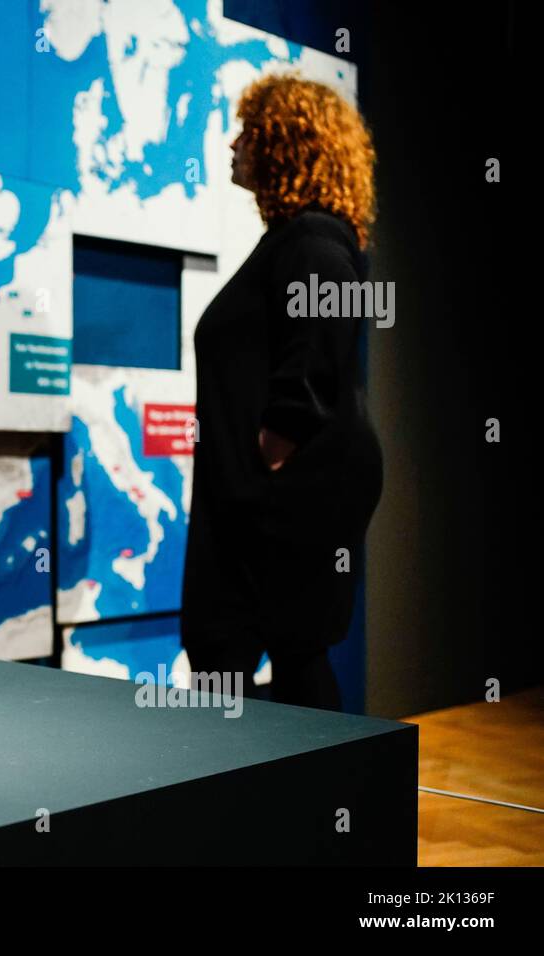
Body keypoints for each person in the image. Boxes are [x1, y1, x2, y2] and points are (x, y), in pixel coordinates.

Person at [181, 73, 384, 711]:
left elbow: (316, 355)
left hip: (282, 501)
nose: (233, 144)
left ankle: (292, 804)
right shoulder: (294, 242)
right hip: (257, 498)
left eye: (249, 132)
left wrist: (270, 452)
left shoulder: (314, 240)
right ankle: (256, 804)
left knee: (275, 656)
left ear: (285, 144)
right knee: (238, 658)